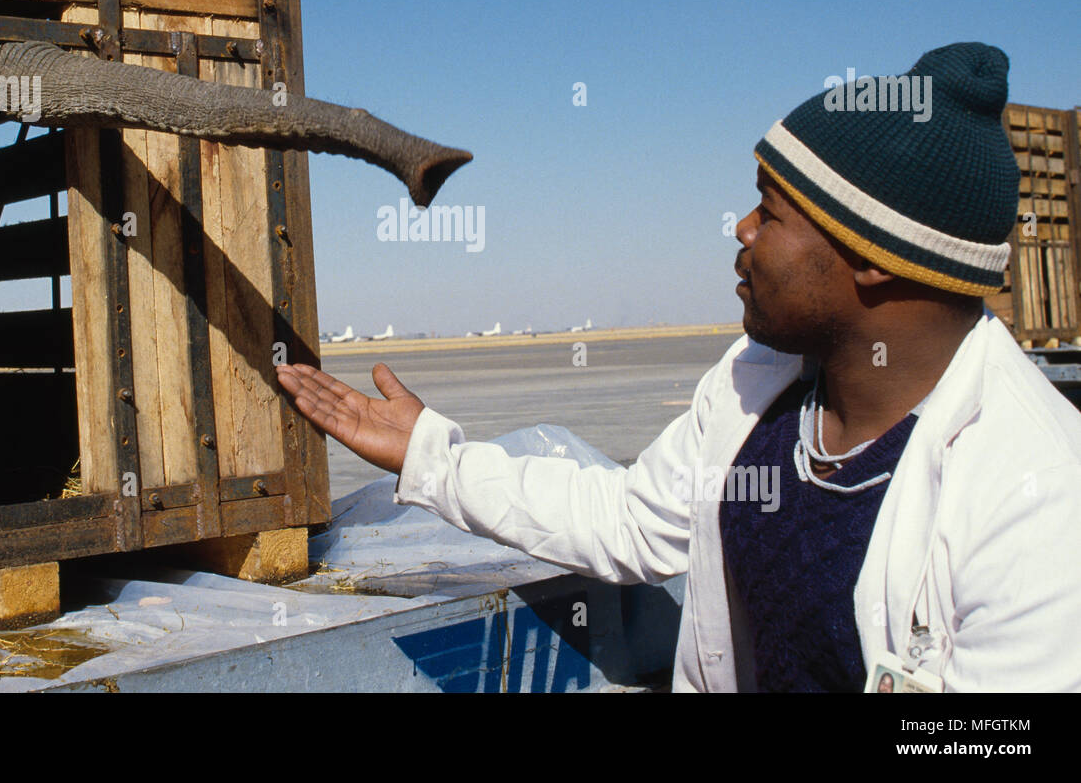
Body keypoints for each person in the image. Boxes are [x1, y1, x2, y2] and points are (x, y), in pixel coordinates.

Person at [275, 42, 1081, 693]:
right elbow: (626, 519)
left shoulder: (1037, 496)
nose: (740, 226)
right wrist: (430, 456)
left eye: (771, 208)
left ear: (871, 260)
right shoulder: (759, 383)